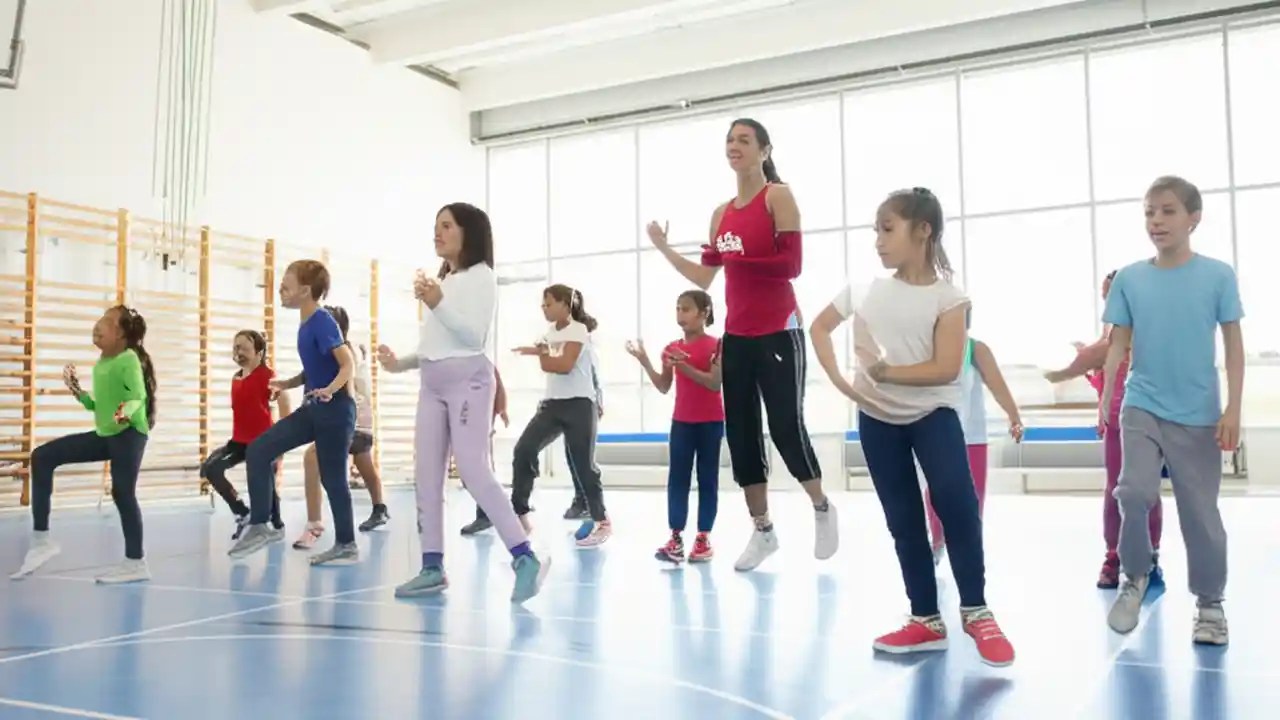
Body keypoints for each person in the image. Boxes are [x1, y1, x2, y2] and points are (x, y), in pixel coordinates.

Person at [809, 187, 1014, 667]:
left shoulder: (950, 297)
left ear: (923, 231)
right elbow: (818, 328)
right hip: (877, 421)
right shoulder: (863, 290)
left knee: (958, 506)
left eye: (887, 229)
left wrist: (886, 373)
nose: (878, 241)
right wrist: (842, 381)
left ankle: (976, 611)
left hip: (933, 417)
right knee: (904, 520)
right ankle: (925, 619)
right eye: (875, 230)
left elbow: (945, 367)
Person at [646, 117, 836, 572]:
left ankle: (821, 506)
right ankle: (763, 529)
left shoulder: (778, 196)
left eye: (744, 140)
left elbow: (791, 265)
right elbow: (704, 276)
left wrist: (737, 258)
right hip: (738, 336)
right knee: (743, 436)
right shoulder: (721, 213)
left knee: (786, 428)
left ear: (764, 151)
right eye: (730, 140)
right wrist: (663, 247)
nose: (735, 146)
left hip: (779, 331)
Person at [378, 202, 548, 601]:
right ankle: (432, 566)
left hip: (469, 382)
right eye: (435, 226)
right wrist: (397, 363)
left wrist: (437, 302)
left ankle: (525, 557)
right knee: (427, 476)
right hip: (432, 386)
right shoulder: (446, 280)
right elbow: (433, 346)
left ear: (467, 233)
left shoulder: (481, 278)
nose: (437, 233)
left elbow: (472, 337)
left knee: (474, 471)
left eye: (446, 226)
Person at [1101, 176, 1242, 646]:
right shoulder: (1129, 279)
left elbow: (1234, 346)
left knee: (1200, 514)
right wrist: (1107, 398)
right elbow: (1118, 342)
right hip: (1142, 405)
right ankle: (1134, 578)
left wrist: (1233, 409)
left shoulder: (1218, 275)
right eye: (1148, 213)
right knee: (1134, 491)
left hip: (1199, 412)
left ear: (1193, 218)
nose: (1155, 221)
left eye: (1166, 211)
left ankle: (1209, 604)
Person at [12, 305, 158, 584]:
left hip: (129, 434)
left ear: (122, 334)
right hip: (107, 434)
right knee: (42, 457)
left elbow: (137, 396)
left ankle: (136, 562)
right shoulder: (103, 362)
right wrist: (77, 390)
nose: (98, 325)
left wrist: (120, 416)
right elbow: (98, 405)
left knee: (122, 492)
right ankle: (41, 541)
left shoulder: (128, 359)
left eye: (106, 321)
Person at [228, 260, 359, 566]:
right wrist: (290, 382)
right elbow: (316, 366)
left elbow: (347, 364)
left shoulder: (324, 321)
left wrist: (330, 389)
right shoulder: (307, 322)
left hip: (336, 411)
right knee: (260, 449)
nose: (280, 289)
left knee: (334, 479)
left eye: (286, 285)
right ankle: (262, 525)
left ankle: (346, 544)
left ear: (305, 290)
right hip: (313, 408)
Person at [1044, 270, 1164, 588]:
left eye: (1111, 294)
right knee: (1115, 488)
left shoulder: (1145, 323)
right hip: (1116, 418)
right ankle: (1113, 555)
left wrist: (1071, 367)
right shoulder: (1110, 327)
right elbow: (1103, 363)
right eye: (1104, 295)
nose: (1107, 301)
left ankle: (1150, 554)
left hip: (1146, 417)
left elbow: (1106, 353)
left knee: (1144, 488)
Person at [459, 344, 604, 536]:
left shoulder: (582, 344)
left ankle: (591, 511)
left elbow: (497, 381)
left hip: (578, 406)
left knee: (580, 461)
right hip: (551, 405)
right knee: (520, 452)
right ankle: (511, 511)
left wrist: (500, 410)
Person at [508, 284, 612, 547]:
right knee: (524, 450)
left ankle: (602, 522)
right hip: (552, 405)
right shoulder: (549, 332)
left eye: (549, 303)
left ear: (566, 304)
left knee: (583, 466)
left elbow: (563, 366)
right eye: (542, 304)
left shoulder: (578, 329)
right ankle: (520, 512)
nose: (544, 308)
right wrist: (537, 350)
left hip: (579, 404)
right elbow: (551, 353)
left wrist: (542, 355)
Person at [627, 289, 724, 563]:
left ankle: (703, 539)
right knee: (677, 480)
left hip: (711, 422)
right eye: (678, 308)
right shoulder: (671, 348)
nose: (681, 314)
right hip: (682, 422)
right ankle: (676, 538)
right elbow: (663, 385)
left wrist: (685, 366)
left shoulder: (717, 345)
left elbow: (714, 383)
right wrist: (645, 360)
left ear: (704, 313)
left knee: (707, 480)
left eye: (687, 309)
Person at [292, 306, 389, 551]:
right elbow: (310, 375)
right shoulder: (335, 350)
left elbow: (342, 374)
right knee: (363, 461)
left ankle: (315, 523)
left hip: (354, 415)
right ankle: (379, 508)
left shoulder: (346, 350)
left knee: (314, 457)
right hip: (357, 416)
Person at [928, 324, 1023, 566]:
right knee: (935, 493)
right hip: (936, 433)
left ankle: (969, 548)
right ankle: (937, 541)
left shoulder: (975, 350)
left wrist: (1014, 416)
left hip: (972, 437)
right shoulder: (927, 349)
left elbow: (997, 385)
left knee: (973, 497)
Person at [201, 330, 289, 540]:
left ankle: (276, 526)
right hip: (238, 442)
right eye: (236, 347)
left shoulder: (268, 376)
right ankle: (242, 513)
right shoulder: (236, 378)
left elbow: (283, 400)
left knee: (266, 483)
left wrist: (282, 440)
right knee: (211, 468)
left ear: (259, 352)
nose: (238, 352)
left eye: (244, 348)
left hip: (262, 443)